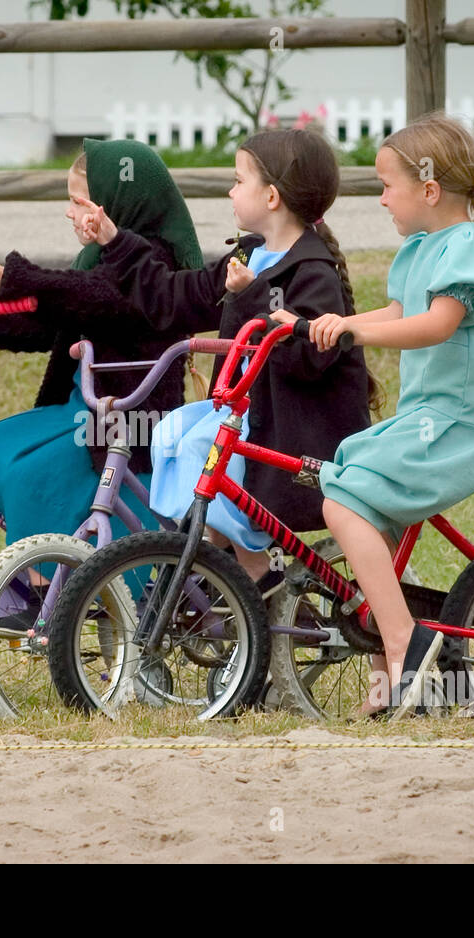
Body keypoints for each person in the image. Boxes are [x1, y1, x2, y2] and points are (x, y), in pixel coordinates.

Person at [276, 112, 474, 719]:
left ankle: (409, 643)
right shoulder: (420, 248)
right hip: (423, 419)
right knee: (352, 480)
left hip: (454, 426)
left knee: (341, 499)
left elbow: (435, 324)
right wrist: (327, 324)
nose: (380, 199)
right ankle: (388, 679)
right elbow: (396, 310)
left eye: (387, 186)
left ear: (429, 190)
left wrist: (353, 334)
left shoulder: (471, 250)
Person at [75, 128, 377, 594]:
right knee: (171, 433)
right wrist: (117, 242)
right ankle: (209, 553)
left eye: (239, 181)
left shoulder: (313, 271)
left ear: (272, 196)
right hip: (241, 413)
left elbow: (306, 358)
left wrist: (251, 295)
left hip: (289, 431)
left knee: (201, 448)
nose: (230, 191)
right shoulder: (249, 253)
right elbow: (178, 297)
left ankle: (254, 566)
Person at [0, 139, 205, 556]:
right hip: (83, 407)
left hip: (123, 420)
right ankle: (47, 571)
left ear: (117, 203)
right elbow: (41, 325)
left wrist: (13, 276)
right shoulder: (96, 258)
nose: (70, 212)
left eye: (80, 202)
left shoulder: (152, 262)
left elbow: (98, 295)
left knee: (30, 475)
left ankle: (40, 585)